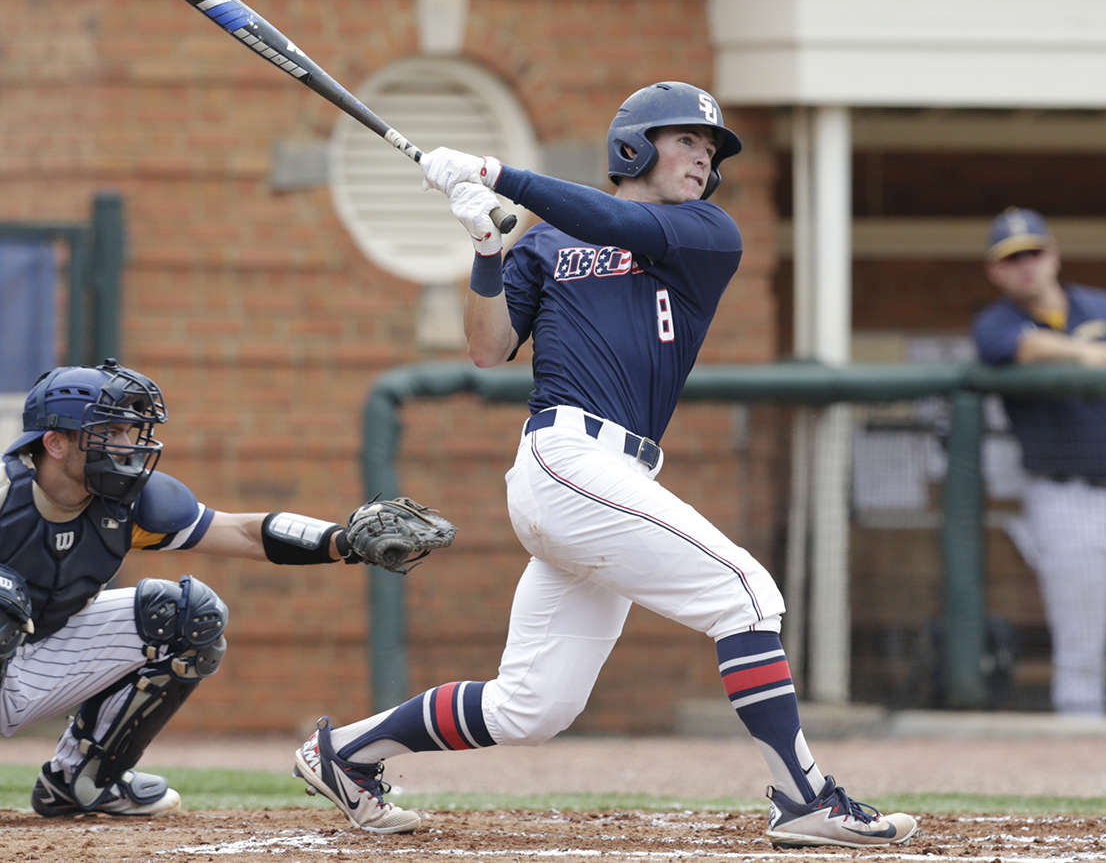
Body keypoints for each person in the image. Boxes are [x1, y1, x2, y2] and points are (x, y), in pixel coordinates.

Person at [291, 81, 918, 848]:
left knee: (533, 708)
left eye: (710, 147)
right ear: (635, 144)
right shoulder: (547, 241)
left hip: (614, 478)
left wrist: (498, 175)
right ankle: (805, 798)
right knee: (747, 595)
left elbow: (618, 220)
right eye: (686, 139)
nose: (703, 157)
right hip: (567, 457)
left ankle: (345, 754)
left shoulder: (705, 232)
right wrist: (488, 252)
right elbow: (488, 349)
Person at [0, 358, 434, 817]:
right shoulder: (8, 492)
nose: (127, 445)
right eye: (109, 432)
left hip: (40, 655)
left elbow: (243, 532)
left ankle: (81, 780)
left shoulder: (129, 503)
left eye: (128, 430)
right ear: (56, 443)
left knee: (188, 614)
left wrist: (341, 541)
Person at [972, 206, 1106, 717]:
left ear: (1053, 256)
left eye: (1033, 253)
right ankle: (1083, 773)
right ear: (995, 271)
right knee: (1082, 647)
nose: (1025, 265)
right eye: (1011, 259)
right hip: (1066, 495)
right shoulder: (996, 321)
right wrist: (1082, 353)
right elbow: (1013, 346)